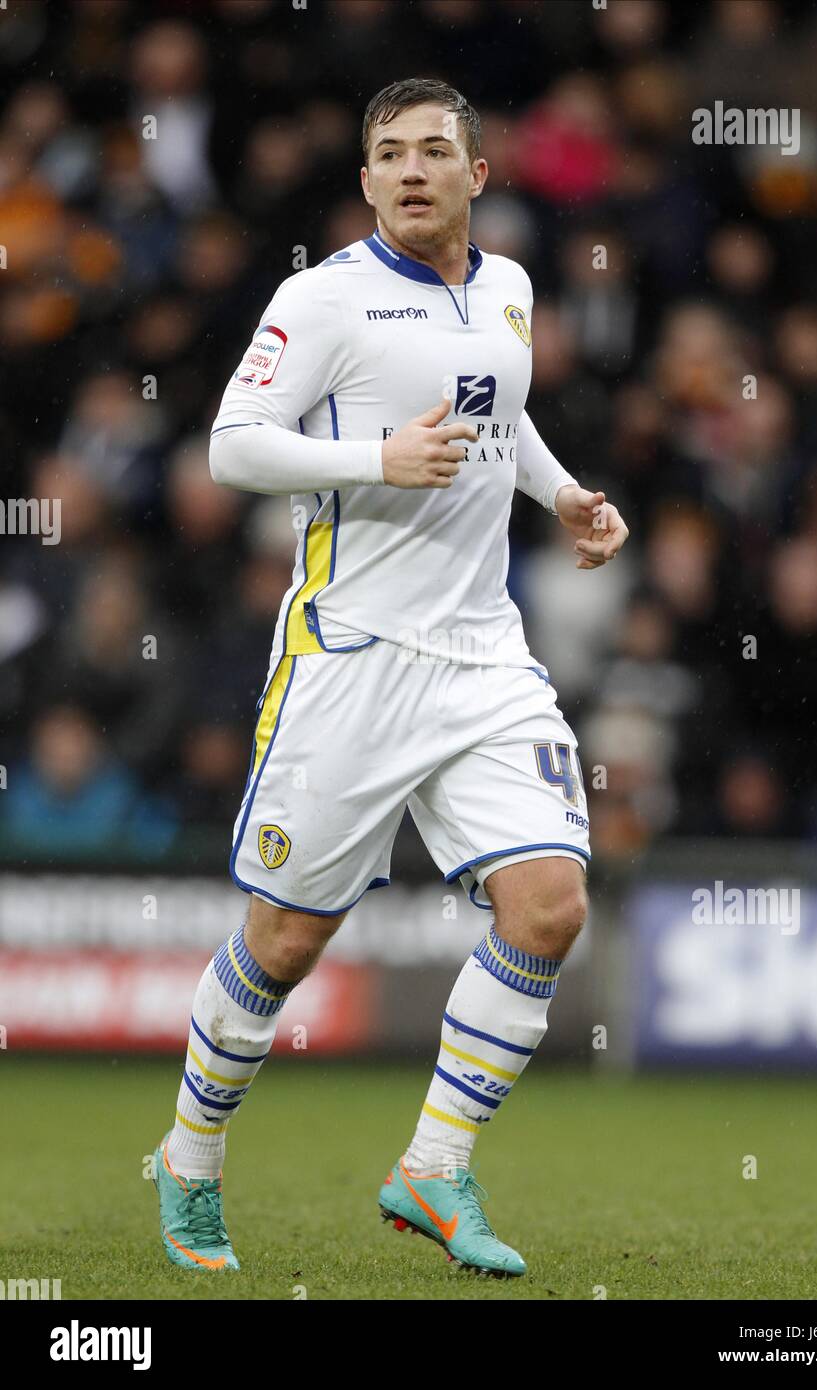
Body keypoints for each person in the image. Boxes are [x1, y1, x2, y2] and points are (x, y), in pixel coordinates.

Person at [152, 77, 628, 1279]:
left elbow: (498, 418)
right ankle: (191, 1158)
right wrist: (376, 456)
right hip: (350, 656)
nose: (411, 169)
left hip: (482, 654)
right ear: (364, 182)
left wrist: (560, 491)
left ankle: (433, 1165)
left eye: (434, 151)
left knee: (551, 905)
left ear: (481, 173)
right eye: (388, 154)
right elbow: (231, 444)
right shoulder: (326, 299)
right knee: (283, 944)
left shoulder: (510, 290)